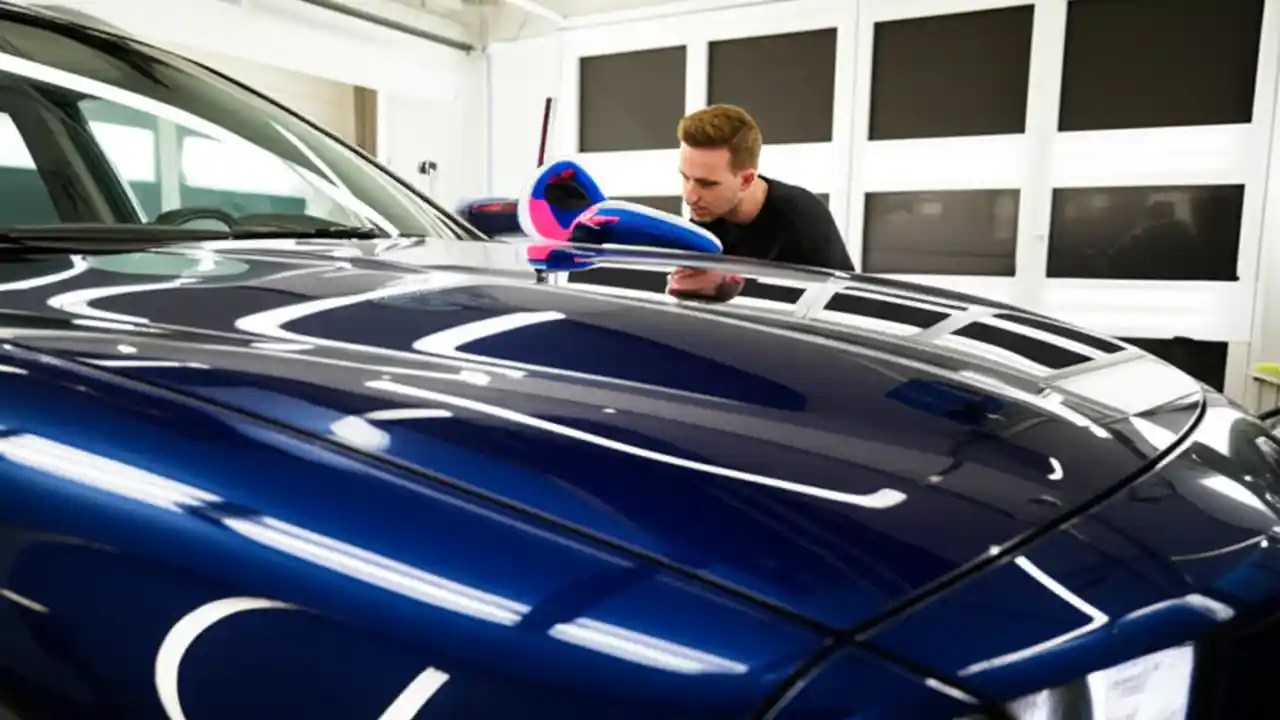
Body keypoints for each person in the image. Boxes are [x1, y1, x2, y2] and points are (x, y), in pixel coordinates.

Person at [667, 104, 855, 301]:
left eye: (707, 184)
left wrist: (725, 286)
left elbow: (846, 303)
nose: (690, 196)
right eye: (685, 177)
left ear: (746, 180)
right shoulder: (707, 213)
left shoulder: (801, 218)